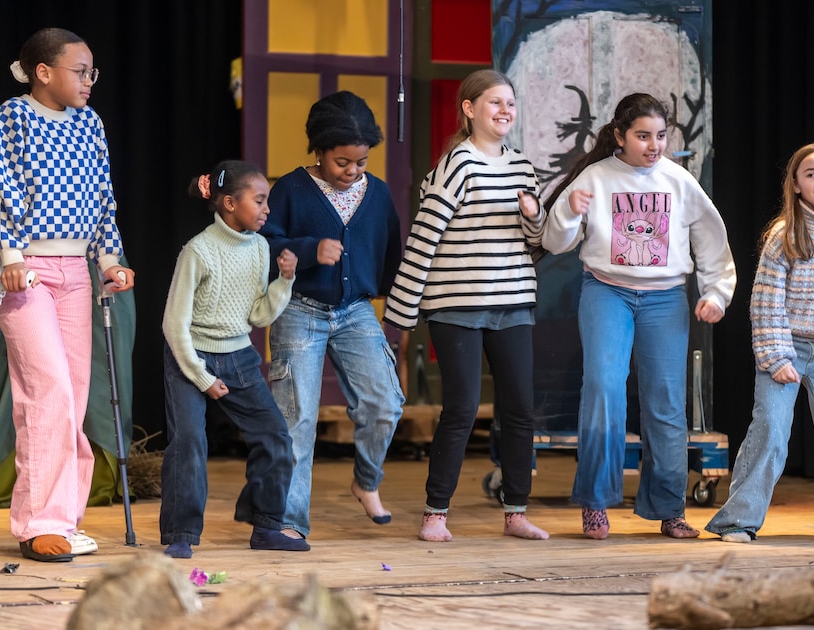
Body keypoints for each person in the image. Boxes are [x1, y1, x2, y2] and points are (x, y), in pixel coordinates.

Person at [542, 93, 736, 539]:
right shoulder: (596, 177)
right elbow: (555, 243)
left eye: (661, 136)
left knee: (666, 402)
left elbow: (711, 242)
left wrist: (716, 295)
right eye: (643, 136)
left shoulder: (678, 181)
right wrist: (570, 214)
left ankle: (669, 508)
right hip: (606, 292)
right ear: (620, 136)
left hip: (665, 299)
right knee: (603, 387)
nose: (653, 145)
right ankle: (595, 502)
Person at [0, 27, 136, 563]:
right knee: (45, 390)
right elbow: (0, 194)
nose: (90, 80)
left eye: (94, 71)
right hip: (28, 270)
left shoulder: (90, 123)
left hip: (77, 269)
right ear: (44, 72)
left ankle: (64, 517)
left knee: (71, 392)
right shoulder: (11, 118)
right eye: (80, 70)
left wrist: (110, 260)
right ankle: (37, 522)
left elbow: (103, 196)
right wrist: (13, 259)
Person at [384, 69, 549, 543]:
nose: (504, 111)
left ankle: (516, 511)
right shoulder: (456, 166)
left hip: (513, 301)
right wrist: (400, 315)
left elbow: (534, 242)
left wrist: (534, 216)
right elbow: (423, 239)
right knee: (461, 408)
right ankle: (436, 512)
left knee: (519, 409)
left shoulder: (521, 165)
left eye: (510, 104)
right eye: (495, 102)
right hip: (456, 304)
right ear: (469, 108)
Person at [705, 142, 814, 543]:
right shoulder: (783, 235)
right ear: (797, 184)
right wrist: (776, 357)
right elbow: (765, 301)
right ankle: (738, 520)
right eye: (812, 174)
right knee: (771, 426)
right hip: (786, 347)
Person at [260, 91, 404, 540]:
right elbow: (261, 246)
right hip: (299, 309)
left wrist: (395, 306)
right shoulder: (289, 189)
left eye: (360, 162)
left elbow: (390, 253)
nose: (352, 172)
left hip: (356, 311)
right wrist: (307, 251)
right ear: (318, 149)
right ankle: (288, 521)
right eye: (342, 162)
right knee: (297, 418)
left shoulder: (376, 193)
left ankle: (366, 481)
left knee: (385, 404)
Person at [159, 160, 310, 559]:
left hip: (238, 356)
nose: (267, 209)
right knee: (189, 442)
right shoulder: (199, 251)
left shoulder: (260, 247)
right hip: (190, 357)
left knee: (275, 436)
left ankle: (267, 527)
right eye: (259, 200)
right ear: (229, 203)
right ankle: (181, 534)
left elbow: (257, 315)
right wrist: (201, 377)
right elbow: (174, 325)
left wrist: (285, 281)